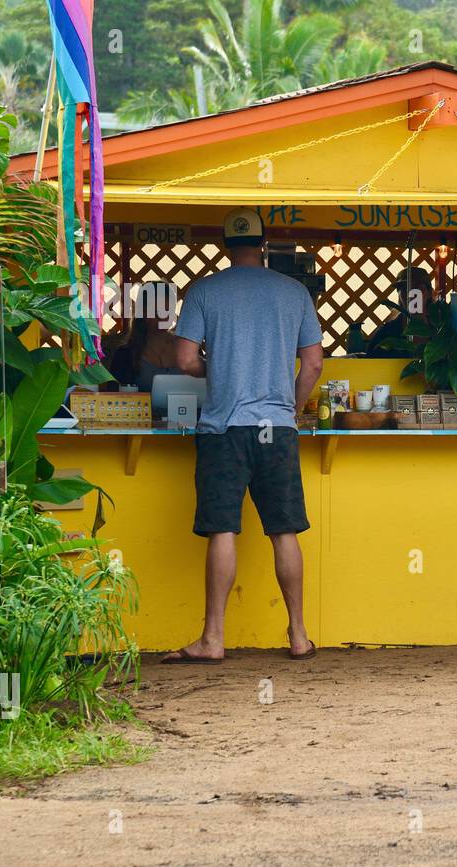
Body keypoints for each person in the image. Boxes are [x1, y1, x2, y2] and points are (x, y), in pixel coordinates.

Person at [160, 208, 324, 664]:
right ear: (264, 242)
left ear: (225, 244)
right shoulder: (294, 293)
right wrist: (288, 405)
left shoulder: (205, 291)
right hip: (277, 427)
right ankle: (297, 634)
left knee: (222, 530)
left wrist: (221, 370)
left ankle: (213, 639)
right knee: (285, 530)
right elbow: (312, 364)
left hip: (223, 429)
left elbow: (185, 360)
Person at [361, 266, 431, 357]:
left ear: (429, 293)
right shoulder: (386, 333)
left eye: (417, 289)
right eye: (405, 289)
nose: (411, 294)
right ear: (399, 294)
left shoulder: (442, 330)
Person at [104, 313, 181, 391]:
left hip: (184, 403)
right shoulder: (125, 354)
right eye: (157, 312)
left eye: (167, 310)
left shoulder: (186, 347)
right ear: (144, 315)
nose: (163, 316)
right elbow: (114, 393)